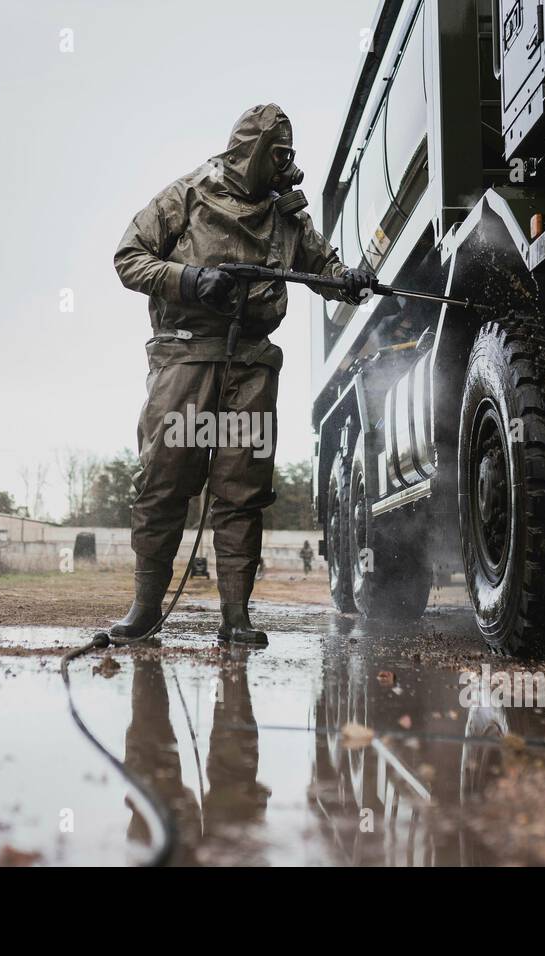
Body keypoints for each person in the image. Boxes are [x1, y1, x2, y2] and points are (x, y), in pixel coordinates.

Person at [112, 103, 372, 645]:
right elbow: (128, 258)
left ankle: (235, 617)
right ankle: (144, 610)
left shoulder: (287, 215)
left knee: (241, 490)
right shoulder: (185, 194)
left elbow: (321, 269)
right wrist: (190, 280)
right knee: (164, 482)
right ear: (251, 151)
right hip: (184, 360)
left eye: (289, 155)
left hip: (251, 367)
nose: (285, 164)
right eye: (276, 154)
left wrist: (348, 278)